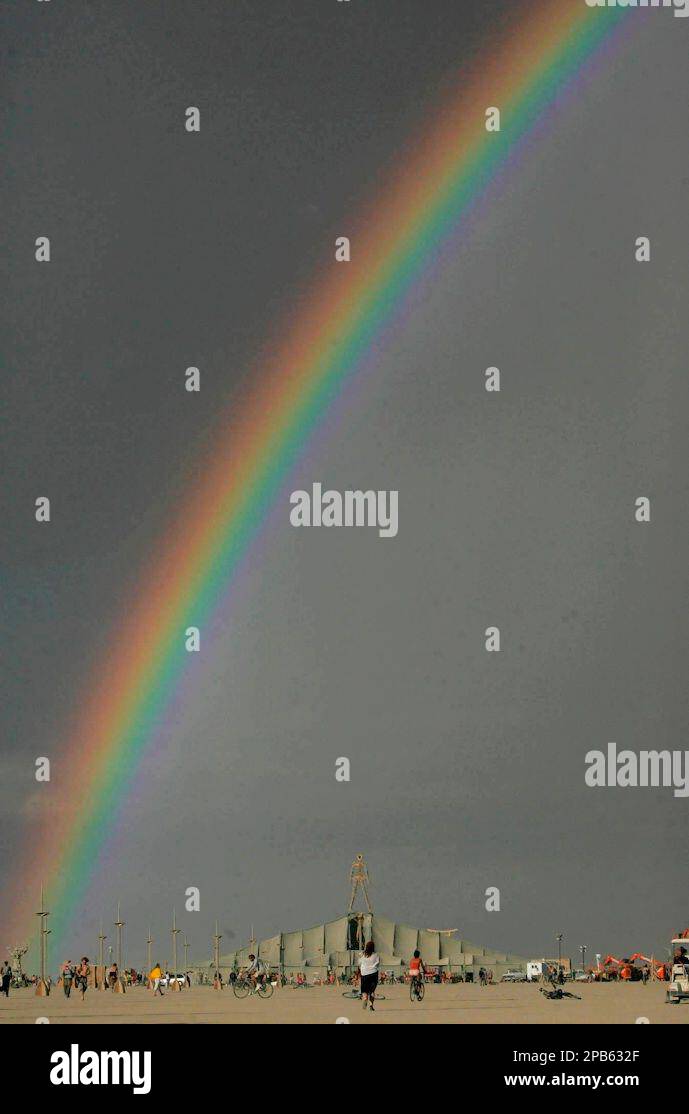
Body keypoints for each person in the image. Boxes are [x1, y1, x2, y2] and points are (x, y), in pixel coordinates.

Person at [359, 940, 380, 1011]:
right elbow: (377, 963)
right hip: (373, 974)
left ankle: (365, 998)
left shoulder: (362, 954)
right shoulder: (376, 955)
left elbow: (359, 962)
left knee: (364, 990)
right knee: (372, 991)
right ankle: (371, 1005)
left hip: (364, 974)